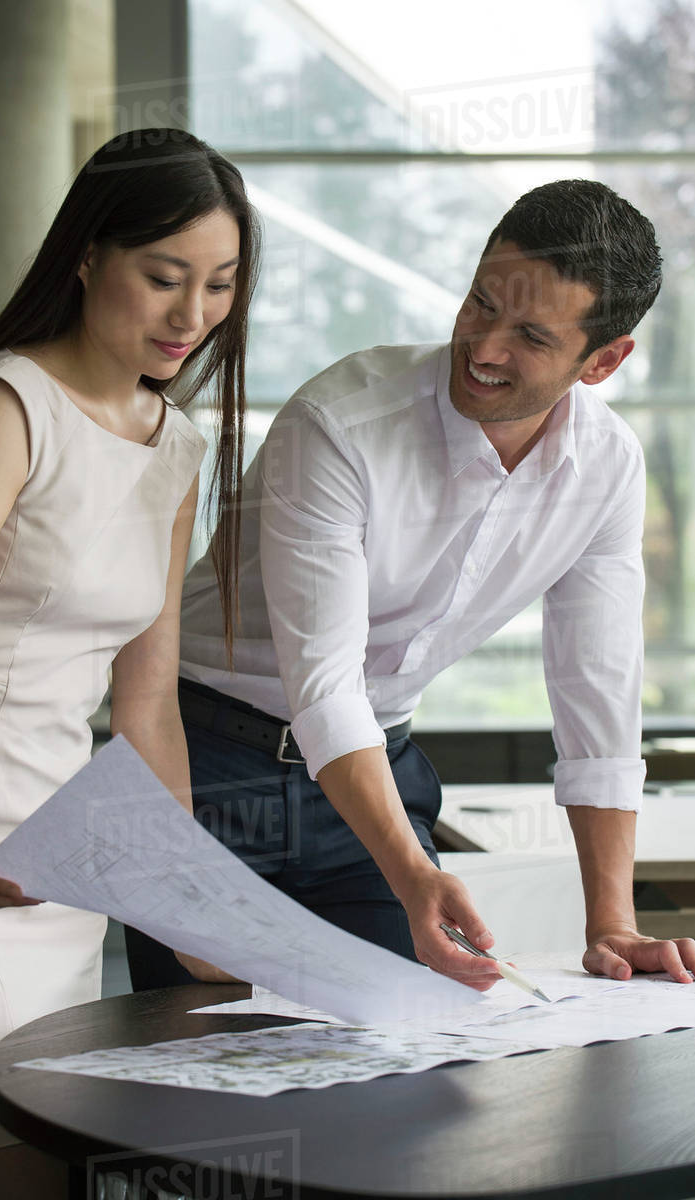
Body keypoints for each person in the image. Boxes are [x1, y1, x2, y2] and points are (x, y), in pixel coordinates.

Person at [126, 178, 695, 998]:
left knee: (413, 1064)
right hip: (208, 768)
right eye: (479, 304)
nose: (485, 347)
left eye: (530, 334)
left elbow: (597, 697)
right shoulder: (340, 422)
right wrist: (408, 870)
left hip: (374, 776)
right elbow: (324, 685)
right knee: (194, 1071)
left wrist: (610, 923)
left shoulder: (606, 469)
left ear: (603, 360)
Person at [0, 127, 260, 1199]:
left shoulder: (176, 444)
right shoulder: (6, 407)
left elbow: (145, 706)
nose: (191, 316)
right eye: (164, 278)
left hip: (54, 875)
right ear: (89, 257)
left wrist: (186, 892)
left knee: (71, 1173)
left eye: (221, 285)